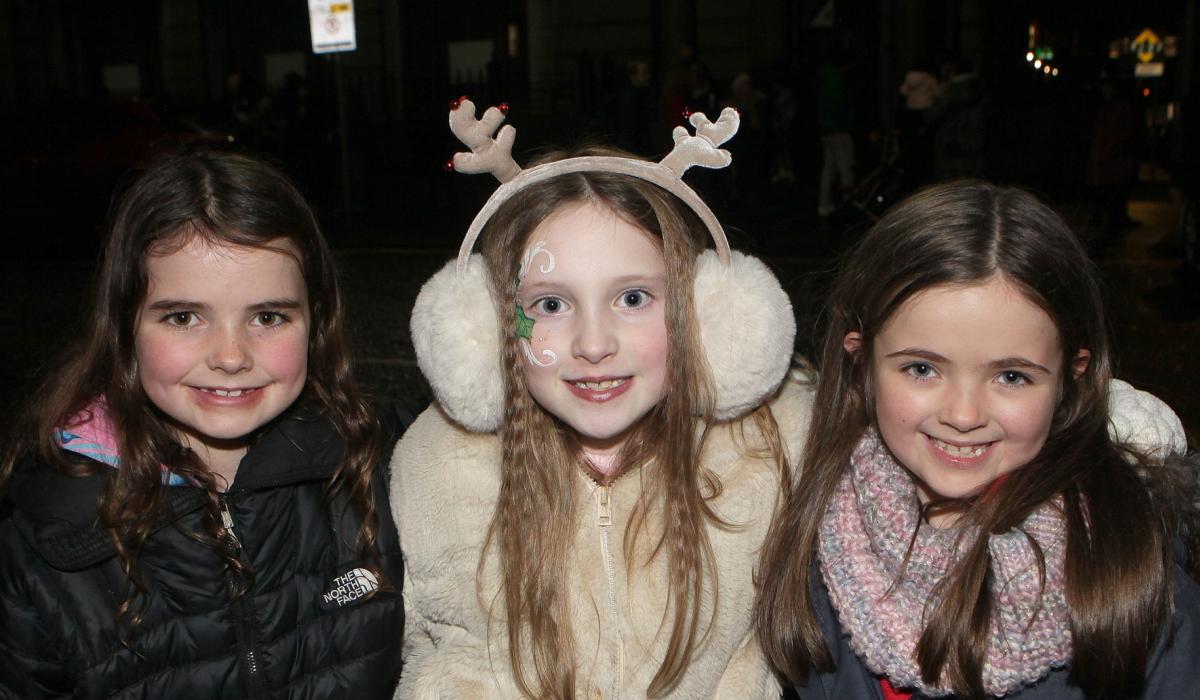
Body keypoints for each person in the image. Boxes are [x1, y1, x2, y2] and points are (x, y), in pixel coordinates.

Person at [392, 100, 806, 697]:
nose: (593, 344)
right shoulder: (435, 470)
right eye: (550, 304)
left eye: (634, 298)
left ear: (710, 313)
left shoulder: (774, 449)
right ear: (485, 327)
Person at [755, 180, 1198, 699]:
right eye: (921, 369)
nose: (964, 415)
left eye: (1011, 377)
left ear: (1071, 377)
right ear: (861, 363)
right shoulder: (811, 537)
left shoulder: (1127, 563)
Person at [0, 149, 408, 698]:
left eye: (268, 317)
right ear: (125, 327)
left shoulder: (384, 462)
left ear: (315, 322)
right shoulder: (41, 540)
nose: (231, 356)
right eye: (183, 317)